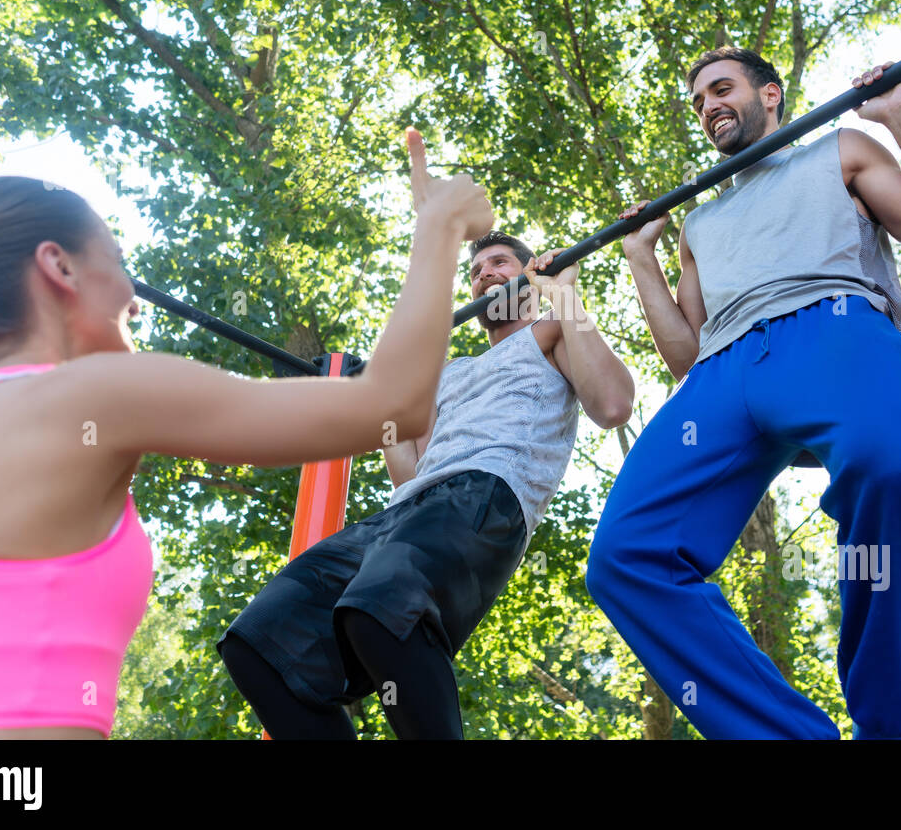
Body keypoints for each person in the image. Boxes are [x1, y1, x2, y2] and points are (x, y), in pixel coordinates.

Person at [0, 128, 492, 739]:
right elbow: (395, 405)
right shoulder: (93, 392)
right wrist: (438, 225)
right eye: (119, 265)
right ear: (58, 265)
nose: (134, 301)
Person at [586, 50, 901, 739]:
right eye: (698, 100)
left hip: (832, 329)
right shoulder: (700, 223)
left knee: (890, 464)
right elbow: (687, 353)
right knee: (625, 555)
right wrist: (640, 257)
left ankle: (889, 723)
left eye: (722, 88)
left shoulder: (840, 149)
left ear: (769, 94)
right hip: (723, 374)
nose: (708, 104)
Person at [219, 230, 635, 739]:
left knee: (379, 604)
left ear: (530, 277)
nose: (485, 273)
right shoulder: (449, 374)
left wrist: (565, 296)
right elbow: (411, 474)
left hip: (485, 495)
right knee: (261, 643)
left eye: (500, 263)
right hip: (407, 512)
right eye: (477, 270)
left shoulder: (550, 332)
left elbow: (613, 407)